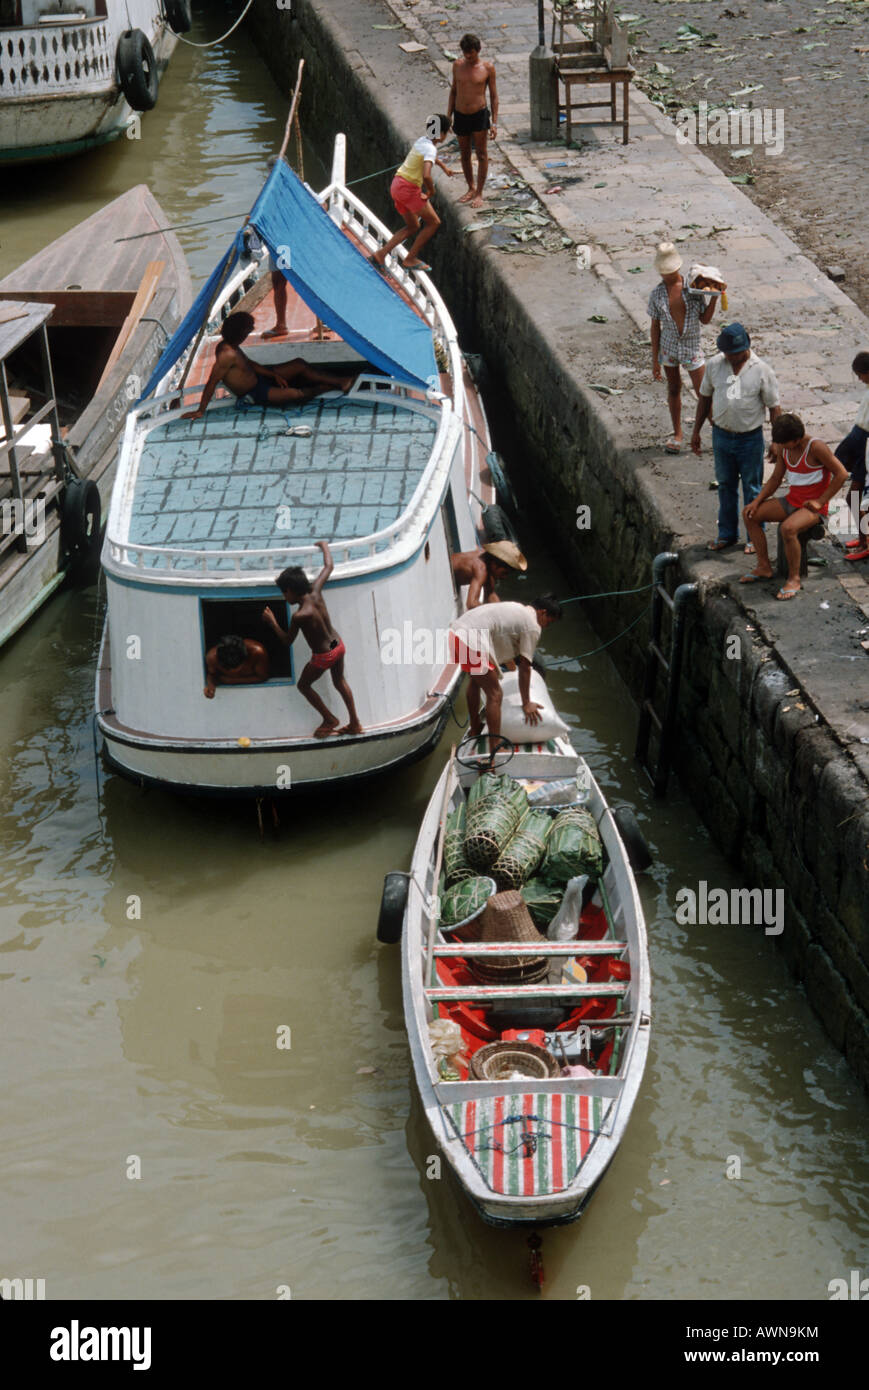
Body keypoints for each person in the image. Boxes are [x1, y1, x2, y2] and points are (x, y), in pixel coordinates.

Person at [691, 323, 782, 552]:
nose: (730, 357)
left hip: (750, 438)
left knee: (752, 488)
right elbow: (704, 398)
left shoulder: (762, 370)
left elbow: (774, 407)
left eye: (734, 353)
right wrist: (696, 432)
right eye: (727, 353)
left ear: (745, 348)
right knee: (725, 486)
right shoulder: (714, 365)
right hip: (721, 435)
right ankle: (727, 534)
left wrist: (777, 440)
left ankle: (754, 537)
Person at [740, 414, 847, 600]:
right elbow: (775, 479)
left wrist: (820, 501)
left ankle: (794, 578)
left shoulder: (816, 447)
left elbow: (842, 474)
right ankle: (764, 566)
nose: (781, 447)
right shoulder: (784, 449)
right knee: (750, 515)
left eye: (785, 443)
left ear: (796, 439)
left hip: (814, 508)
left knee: (788, 529)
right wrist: (756, 502)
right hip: (792, 500)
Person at [262, 541, 363, 738]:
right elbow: (328, 566)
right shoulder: (316, 591)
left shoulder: (300, 616)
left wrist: (272, 622)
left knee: (303, 685)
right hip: (337, 644)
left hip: (324, 655)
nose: (284, 597)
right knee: (339, 681)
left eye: (284, 592)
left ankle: (329, 719)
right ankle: (355, 723)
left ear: (291, 590)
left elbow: (286, 641)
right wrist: (324, 545)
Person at [183, 311, 356, 419]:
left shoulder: (232, 345)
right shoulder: (226, 354)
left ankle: (340, 382)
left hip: (259, 377)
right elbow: (211, 383)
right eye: (248, 331)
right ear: (240, 332)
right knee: (296, 394)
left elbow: (249, 364)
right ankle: (328, 387)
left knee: (299, 364)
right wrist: (200, 410)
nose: (250, 333)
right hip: (255, 391)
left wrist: (273, 375)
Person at [449, 595, 562, 741]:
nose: (546, 626)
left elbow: (504, 641)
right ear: (542, 612)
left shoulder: (517, 608)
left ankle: (475, 728)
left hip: (456, 633)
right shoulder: (533, 626)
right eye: (548, 621)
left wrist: (512, 669)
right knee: (495, 695)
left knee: (475, 682)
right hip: (472, 639)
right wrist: (526, 703)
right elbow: (525, 667)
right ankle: (494, 749)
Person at [648, 243, 717, 454]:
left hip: (691, 347)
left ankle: (719, 432)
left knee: (703, 392)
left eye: (671, 272)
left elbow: (704, 319)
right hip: (669, 348)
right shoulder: (657, 294)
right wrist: (655, 360)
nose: (668, 276)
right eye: (665, 273)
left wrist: (714, 297)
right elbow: (655, 327)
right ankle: (677, 433)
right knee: (674, 388)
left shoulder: (693, 289)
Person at [371, 115, 454, 275]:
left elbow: (430, 157)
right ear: (440, 134)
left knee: (413, 226)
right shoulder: (431, 148)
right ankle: (410, 259)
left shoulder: (422, 141)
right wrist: (430, 191)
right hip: (408, 189)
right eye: (446, 133)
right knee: (434, 222)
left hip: (397, 185)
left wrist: (444, 167)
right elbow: (427, 175)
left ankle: (380, 255)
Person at [447, 33, 499, 208]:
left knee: (482, 154)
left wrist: (495, 123)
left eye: (471, 53)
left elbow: (493, 96)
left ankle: (479, 193)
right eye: (465, 53)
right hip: (460, 114)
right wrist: (448, 116)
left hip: (479, 114)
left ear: (478, 51)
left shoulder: (487, 68)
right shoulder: (457, 66)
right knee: (464, 153)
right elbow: (454, 91)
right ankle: (470, 186)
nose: (468, 57)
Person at [835, 350, 869, 562]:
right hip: (859, 442)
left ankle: (867, 541)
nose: (859, 379)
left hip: (867, 447)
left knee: (860, 499)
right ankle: (862, 538)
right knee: (853, 497)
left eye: (861, 374)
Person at [450, 540, 527, 609]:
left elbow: (490, 593)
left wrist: (503, 611)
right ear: (495, 565)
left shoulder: (487, 558)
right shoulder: (481, 569)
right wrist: (492, 612)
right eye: (504, 573)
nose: (504, 577)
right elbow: (471, 603)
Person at [204, 635, 270, 698]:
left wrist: (232, 681)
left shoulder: (257, 653)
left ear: (245, 657)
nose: (233, 672)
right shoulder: (212, 658)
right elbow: (212, 675)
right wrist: (210, 686)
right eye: (228, 668)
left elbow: (262, 677)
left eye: (236, 667)